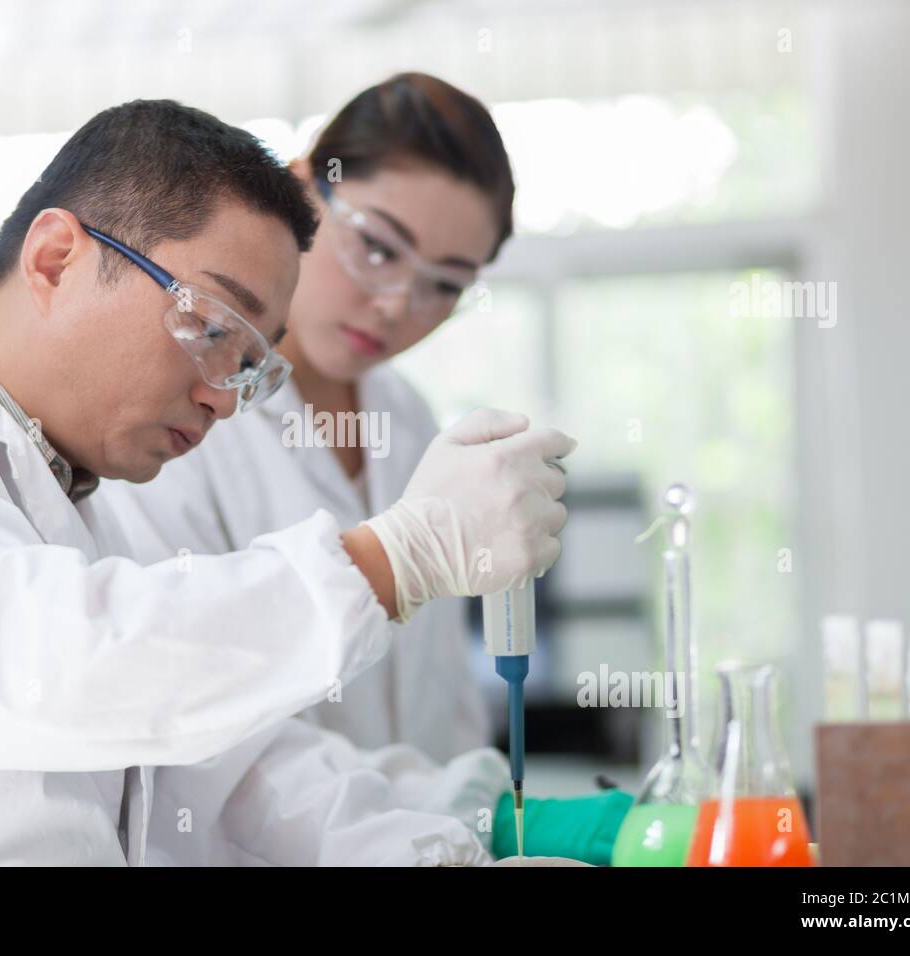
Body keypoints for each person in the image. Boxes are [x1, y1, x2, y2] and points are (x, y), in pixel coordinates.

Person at [0, 99, 572, 865]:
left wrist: (454, 855)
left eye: (253, 367)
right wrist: (394, 558)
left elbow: (226, 770)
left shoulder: (65, 511)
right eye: (214, 326)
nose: (226, 399)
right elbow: (40, 666)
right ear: (56, 259)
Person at [103, 76, 630, 865]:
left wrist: (487, 813)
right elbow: (209, 733)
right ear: (299, 184)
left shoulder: (407, 415)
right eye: (379, 248)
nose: (396, 303)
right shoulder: (185, 412)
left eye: (444, 283)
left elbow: (441, 701)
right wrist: (460, 827)